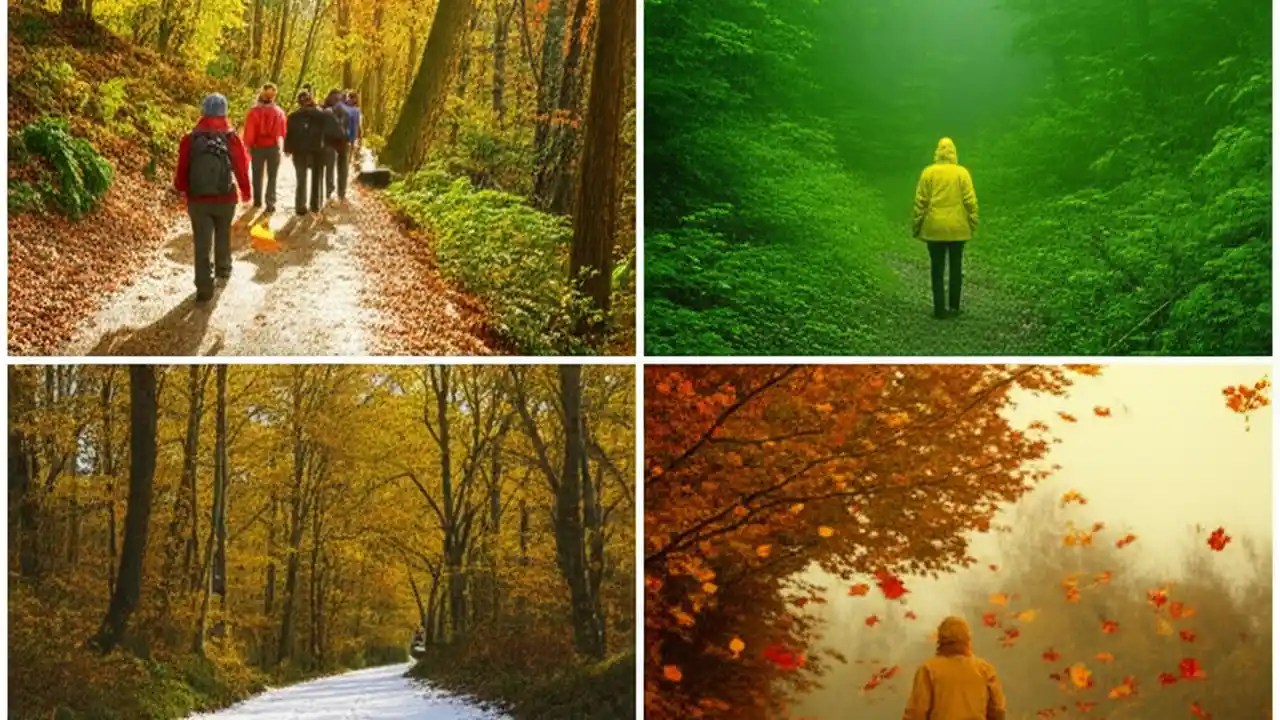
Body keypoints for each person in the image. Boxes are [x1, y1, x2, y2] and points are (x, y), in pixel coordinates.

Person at [174, 93, 251, 301]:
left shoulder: (190, 139)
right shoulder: (232, 138)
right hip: (226, 198)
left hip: (198, 200)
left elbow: (182, 169)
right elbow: (241, 167)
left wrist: (181, 189)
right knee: (223, 232)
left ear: (202, 112)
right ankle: (223, 268)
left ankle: (204, 286)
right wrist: (246, 191)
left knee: (202, 241)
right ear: (225, 113)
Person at [912, 137, 979, 319]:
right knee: (956, 267)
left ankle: (939, 309)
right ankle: (955, 307)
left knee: (937, 268)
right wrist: (972, 223)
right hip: (958, 228)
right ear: (954, 152)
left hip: (934, 228)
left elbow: (921, 202)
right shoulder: (962, 173)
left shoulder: (928, 173)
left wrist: (917, 225)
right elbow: (970, 201)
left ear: (937, 152)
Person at [902, 616, 1007, 720]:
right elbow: (998, 710)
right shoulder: (985, 670)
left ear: (941, 640)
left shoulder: (928, 669)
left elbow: (916, 712)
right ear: (968, 639)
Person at [242, 82, 287, 212]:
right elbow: (282, 132)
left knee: (257, 174)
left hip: (258, 148)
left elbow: (249, 132)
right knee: (272, 176)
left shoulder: (253, 112)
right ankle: (270, 203)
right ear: (274, 96)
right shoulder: (279, 112)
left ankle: (257, 201)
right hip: (273, 148)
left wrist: (248, 146)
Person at [284, 90, 327, 216]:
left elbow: (289, 135)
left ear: (299, 102)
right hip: (317, 150)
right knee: (317, 179)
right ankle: (315, 205)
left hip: (299, 151)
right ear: (311, 100)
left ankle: (300, 206)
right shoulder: (321, 115)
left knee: (301, 179)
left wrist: (288, 149)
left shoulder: (293, 116)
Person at [320, 89, 351, 205]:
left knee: (330, 167)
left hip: (329, 142)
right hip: (342, 142)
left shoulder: (324, 110)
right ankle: (341, 193)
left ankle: (330, 191)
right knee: (342, 168)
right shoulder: (347, 111)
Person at [343, 91, 363, 163]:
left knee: (348, 155)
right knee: (348, 155)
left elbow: (358, 124)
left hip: (350, 135)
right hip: (348, 135)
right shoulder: (355, 110)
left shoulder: (355, 110)